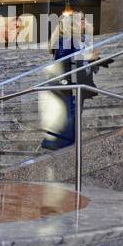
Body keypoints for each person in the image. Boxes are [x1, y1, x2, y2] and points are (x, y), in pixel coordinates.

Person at [41, 9, 110, 150]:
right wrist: (89, 57)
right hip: (68, 84)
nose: (85, 22)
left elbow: (77, 59)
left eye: (84, 19)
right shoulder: (67, 39)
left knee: (72, 114)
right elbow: (64, 60)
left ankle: (64, 145)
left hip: (76, 83)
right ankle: (61, 145)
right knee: (70, 115)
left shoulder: (78, 39)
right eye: (81, 20)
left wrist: (97, 60)